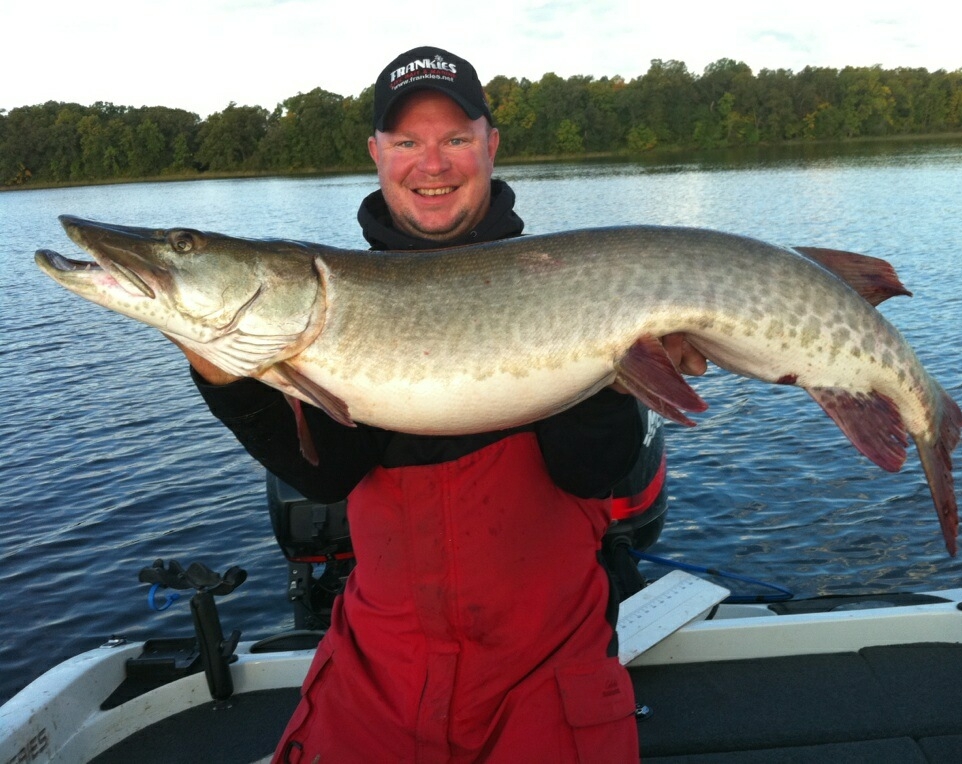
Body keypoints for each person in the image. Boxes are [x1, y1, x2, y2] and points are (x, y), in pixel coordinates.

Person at [175, 46, 706, 763]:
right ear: (376, 153)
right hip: (377, 685)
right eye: (408, 142)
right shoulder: (328, 312)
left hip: (545, 685)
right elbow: (326, 475)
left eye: (456, 138)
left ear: (490, 146)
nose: (433, 164)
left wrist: (622, 375)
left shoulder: (574, 280)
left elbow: (592, 472)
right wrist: (225, 379)